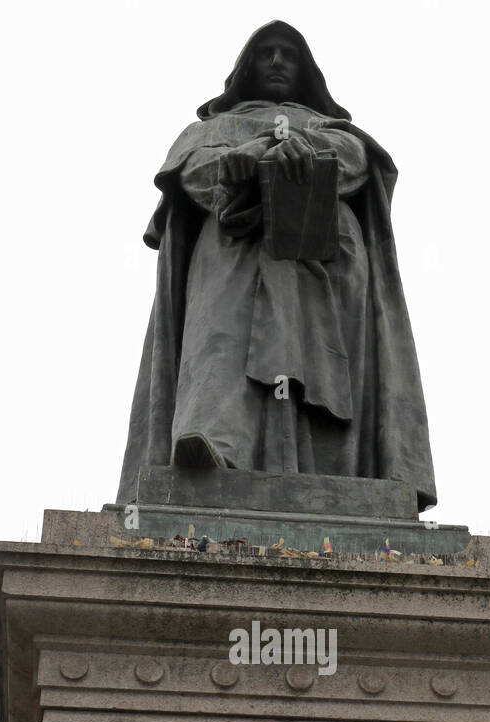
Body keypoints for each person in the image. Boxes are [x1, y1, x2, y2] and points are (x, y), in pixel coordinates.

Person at [117, 21, 436, 510]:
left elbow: (357, 163)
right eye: (265, 52)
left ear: (307, 71)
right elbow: (191, 175)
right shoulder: (210, 131)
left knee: (325, 359)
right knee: (221, 343)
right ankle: (214, 447)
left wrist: (308, 152)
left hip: (325, 259)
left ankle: (335, 475)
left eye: (288, 54)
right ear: (245, 69)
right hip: (233, 251)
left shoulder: (332, 129)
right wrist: (241, 162)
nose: (276, 61)